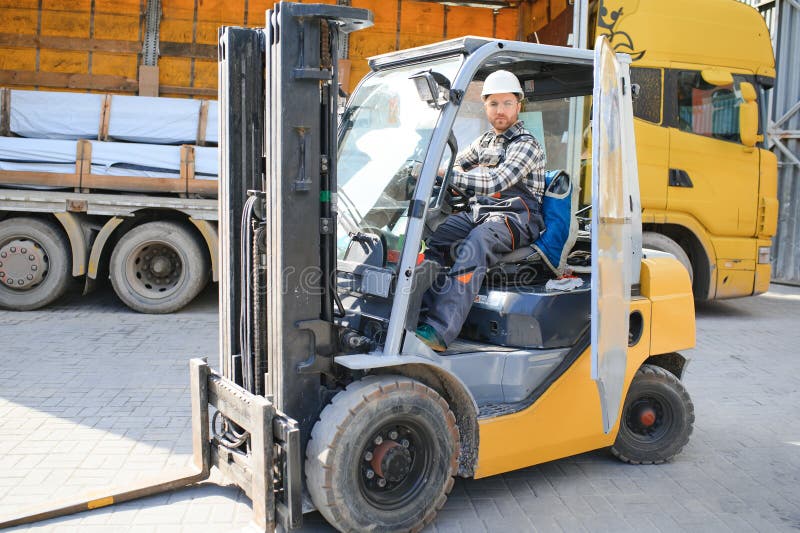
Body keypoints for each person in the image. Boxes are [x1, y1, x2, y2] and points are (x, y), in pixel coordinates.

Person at [415, 69, 546, 352]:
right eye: (494, 104)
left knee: (477, 243)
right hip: (484, 213)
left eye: (507, 103)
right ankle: (416, 315)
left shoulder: (527, 144)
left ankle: (440, 329)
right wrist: (426, 171)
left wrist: (448, 175)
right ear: (485, 106)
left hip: (517, 218)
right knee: (438, 237)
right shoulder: (484, 142)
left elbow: (496, 181)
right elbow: (455, 165)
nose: (501, 110)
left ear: (518, 105)